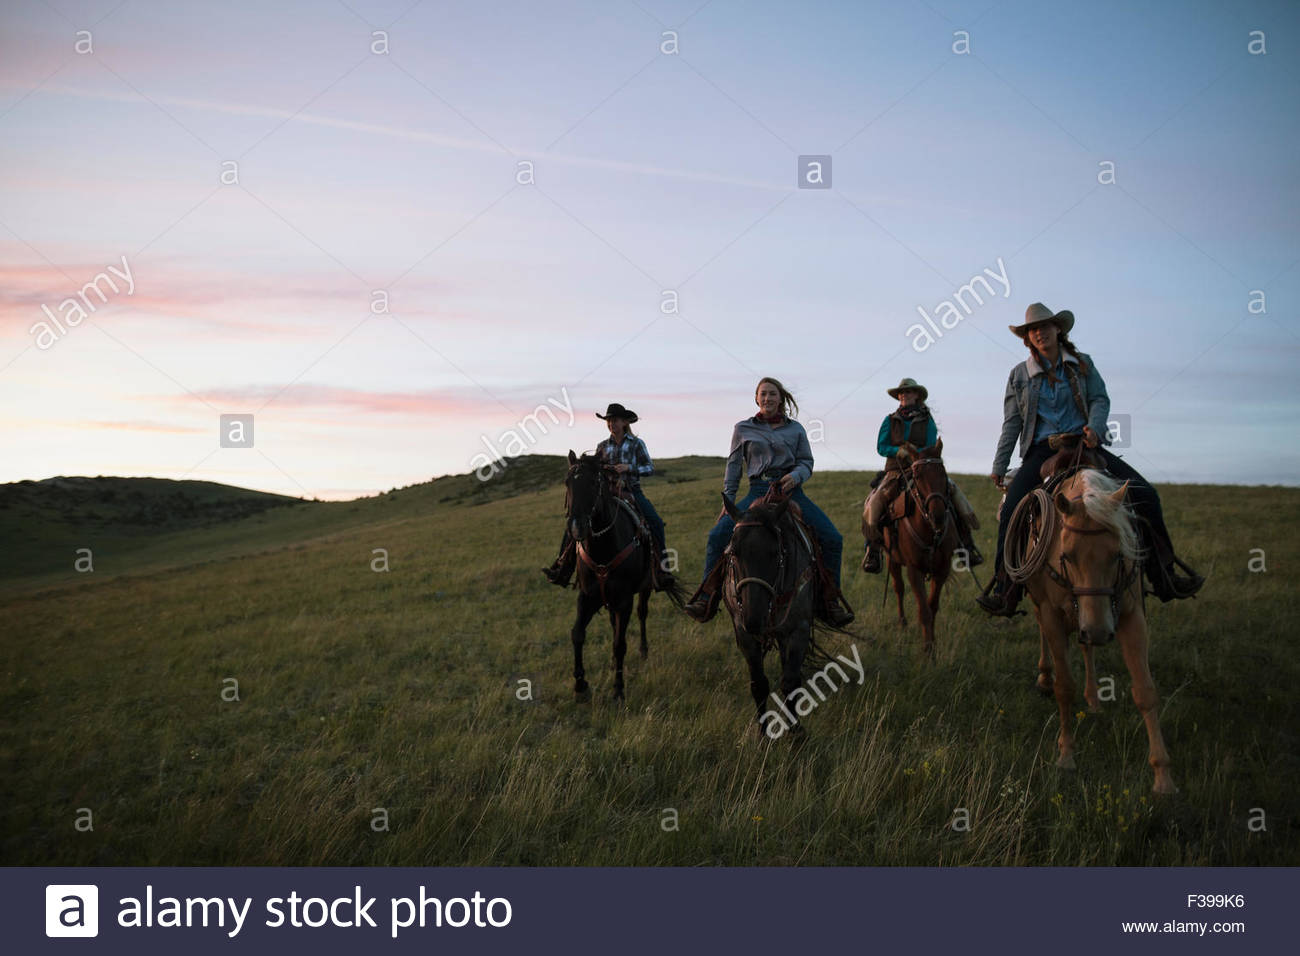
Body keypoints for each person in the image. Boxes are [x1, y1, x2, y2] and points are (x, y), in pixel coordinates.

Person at [975, 303, 1204, 616]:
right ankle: (1005, 588)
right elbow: (1012, 421)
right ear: (1028, 337)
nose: (1039, 332)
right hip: (1042, 450)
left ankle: (1163, 575)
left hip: (1084, 443)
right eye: (1033, 329)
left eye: (1045, 326)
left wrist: (1095, 428)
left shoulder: (1082, 364)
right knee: (1014, 507)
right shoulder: (1019, 375)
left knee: (1147, 495)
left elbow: (1099, 398)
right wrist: (999, 465)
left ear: (1059, 330)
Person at [682, 377, 854, 627]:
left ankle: (829, 602)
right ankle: (707, 597)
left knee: (832, 538)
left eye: (772, 394)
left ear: (780, 399)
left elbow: (807, 462)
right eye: (763, 394)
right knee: (717, 535)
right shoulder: (742, 428)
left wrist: (795, 477)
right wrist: (728, 499)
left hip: (792, 492)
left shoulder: (795, 429)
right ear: (756, 398)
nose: (767, 399)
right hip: (757, 490)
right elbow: (733, 466)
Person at [543, 402, 675, 591]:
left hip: (632, 492)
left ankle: (662, 571)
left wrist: (629, 468)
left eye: (615, 420)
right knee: (576, 520)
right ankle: (563, 567)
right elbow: (595, 472)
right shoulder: (602, 446)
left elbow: (649, 468)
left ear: (624, 422)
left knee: (655, 522)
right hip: (606, 493)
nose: (611, 424)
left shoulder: (637, 444)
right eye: (609, 421)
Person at [861, 377, 983, 573]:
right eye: (901, 393)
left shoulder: (927, 420)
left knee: (952, 492)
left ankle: (966, 546)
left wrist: (917, 456)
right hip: (895, 470)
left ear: (916, 395)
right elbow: (881, 446)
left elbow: (930, 444)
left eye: (908, 392)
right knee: (875, 501)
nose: (903, 395)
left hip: (922, 468)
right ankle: (872, 550)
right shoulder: (889, 420)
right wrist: (898, 452)